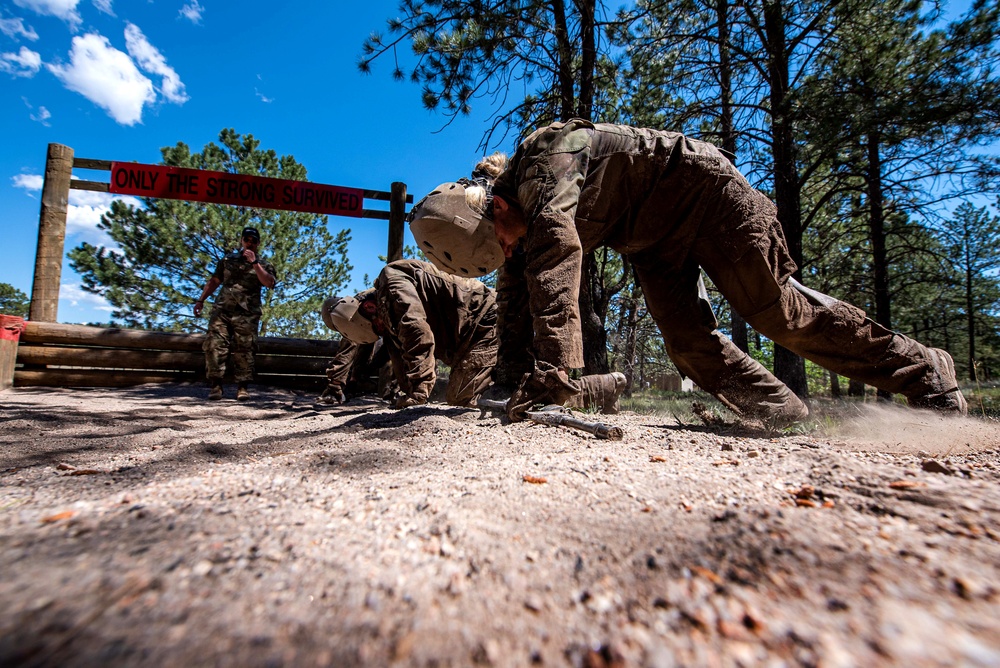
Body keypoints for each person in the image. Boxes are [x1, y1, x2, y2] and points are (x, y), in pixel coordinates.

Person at [407, 119, 967, 424]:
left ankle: (926, 372)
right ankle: (783, 414)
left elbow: (557, 262)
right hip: (653, 241)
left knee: (778, 313)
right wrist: (507, 380)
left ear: (496, 208)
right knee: (686, 343)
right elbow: (515, 299)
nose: (510, 254)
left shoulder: (547, 159)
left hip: (707, 196)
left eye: (502, 243)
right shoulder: (512, 226)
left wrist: (555, 377)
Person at [320, 258, 626, 412]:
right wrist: (406, 392)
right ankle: (603, 387)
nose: (381, 332)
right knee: (498, 390)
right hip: (471, 336)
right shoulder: (383, 319)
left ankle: (589, 391)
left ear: (370, 307)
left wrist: (420, 391)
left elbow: (416, 332)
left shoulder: (393, 281)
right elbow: (401, 358)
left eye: (376, 328)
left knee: (466, 397)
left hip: (486, 320)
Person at [194, 226, 277, 401]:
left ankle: (242, 388)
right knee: (214, 345)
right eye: (247, 239)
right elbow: (215, 280)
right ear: (242, 240)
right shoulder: (227, 260)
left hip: (247, 314)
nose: (250, 243)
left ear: (258, 244)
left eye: (254, 241)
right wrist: (201, 300)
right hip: (222, 310)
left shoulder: (264, 264)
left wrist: (255, 264)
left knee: (245, 349)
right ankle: (216, 386)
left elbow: (269, 283)